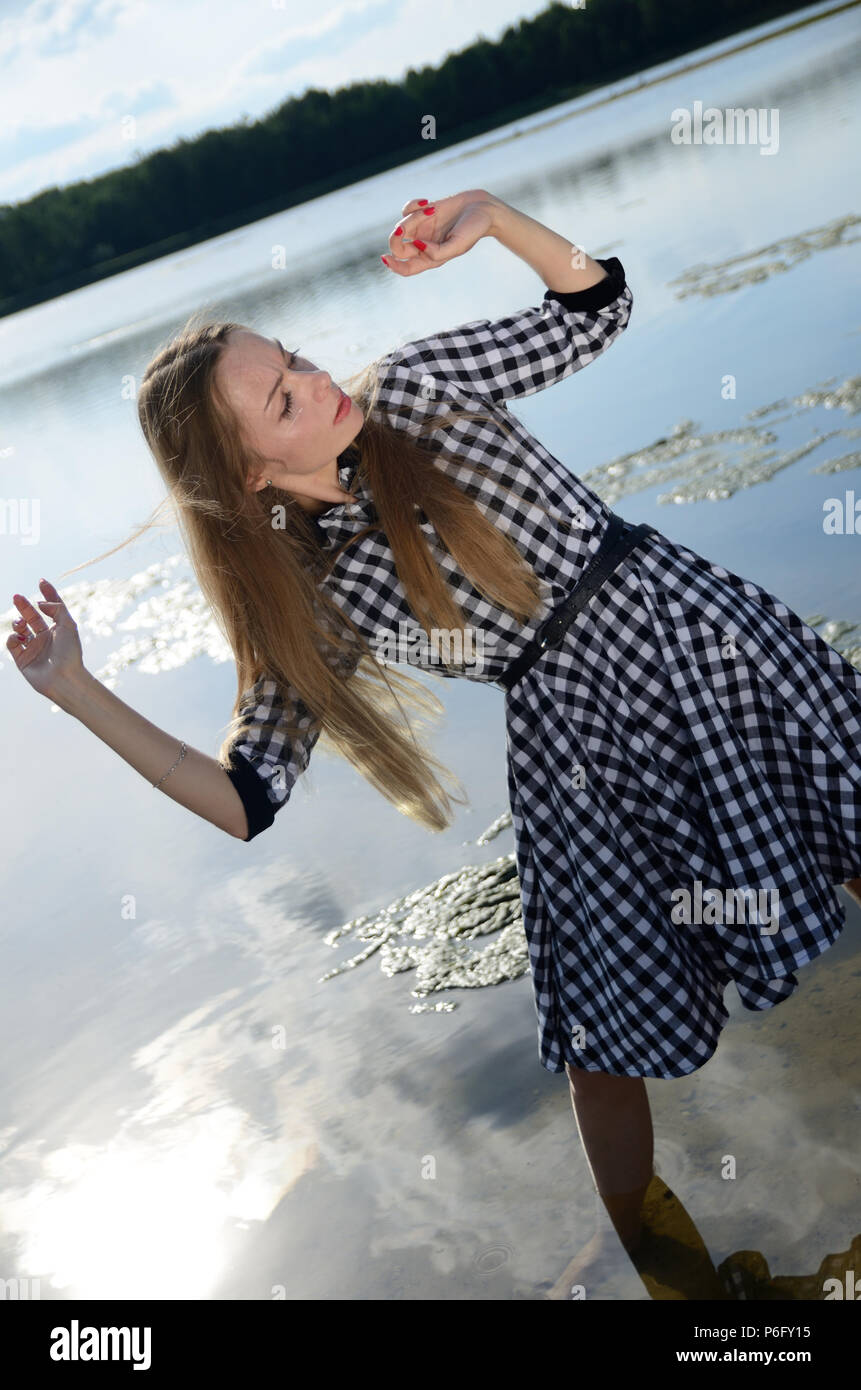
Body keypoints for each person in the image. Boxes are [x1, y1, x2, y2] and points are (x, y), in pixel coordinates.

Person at [8, 189, 861, 1288]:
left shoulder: (416, 389)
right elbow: (243, 796)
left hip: (689, 636)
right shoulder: (312, 592)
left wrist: (496, 221)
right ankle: (661, 1266)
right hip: (576, 751)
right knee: (598, 1037)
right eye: (282, 397)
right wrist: (77, 689)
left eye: (299, 360)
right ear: (252, 476)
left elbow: (594, 308)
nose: (319, 383)